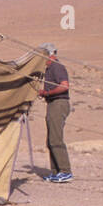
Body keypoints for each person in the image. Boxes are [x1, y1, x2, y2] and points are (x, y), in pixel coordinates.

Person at [37, 43, 71, 183]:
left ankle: (65, 171)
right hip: (52, 103)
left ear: (48, 54)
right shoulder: (49, 69)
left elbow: (64, 86)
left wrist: (46, 93)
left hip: (58, 103)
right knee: (51, 139)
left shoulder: (57, 67)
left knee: (56, 139)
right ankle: (56, 172)